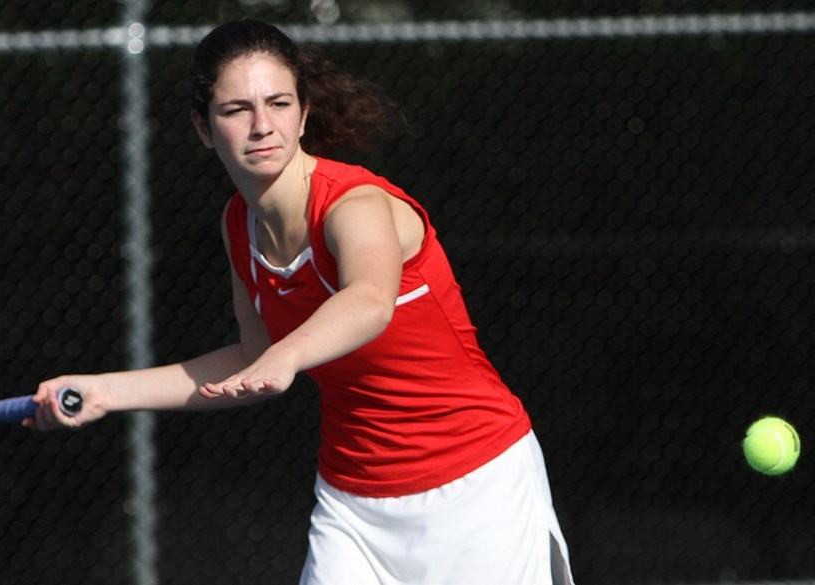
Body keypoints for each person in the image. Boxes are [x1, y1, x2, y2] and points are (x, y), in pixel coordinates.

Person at [28, 18, 574, 585]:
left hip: (477, 485)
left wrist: (287, 357)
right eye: (236, 109)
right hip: (353, 503)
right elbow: (250, 358)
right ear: (203, 127)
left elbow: (369, 300)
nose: (262, 126)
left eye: (279, 103)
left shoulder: (353, 203)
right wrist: (104, 390)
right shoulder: (238, 223)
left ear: (303, 113)